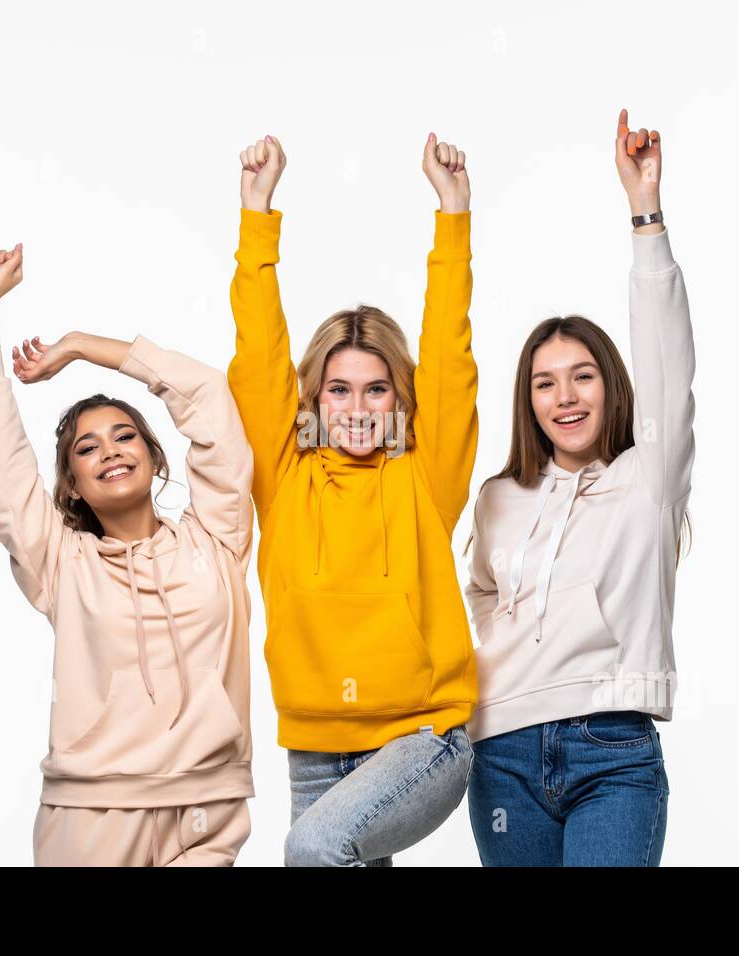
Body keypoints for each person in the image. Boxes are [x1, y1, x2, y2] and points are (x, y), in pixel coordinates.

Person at [227, 133, 478, 866]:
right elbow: (258, 351)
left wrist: (452, 216)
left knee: (313, 846)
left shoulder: (424, 476)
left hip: (422, 738)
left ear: (400, 396)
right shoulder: (285, 474)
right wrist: (256, 213)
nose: (358, 406)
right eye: (339, 389)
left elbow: (449, 356)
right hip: (313, 746)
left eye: (377, 388)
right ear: (315, 397)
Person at [0, 242, 255, 866]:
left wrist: (78, 345)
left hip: (207, 811)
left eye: (125, 436)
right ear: (70, 481)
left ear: (154, 456)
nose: (112, 452)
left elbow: (206, 395)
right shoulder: (61, 563)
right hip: (89, 817)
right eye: (87, 449)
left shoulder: (217, 539)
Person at [463, 109, 693, 866]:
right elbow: (480, 602)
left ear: (611, 385)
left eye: (583, 376)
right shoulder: (499, 498)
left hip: (611, 748)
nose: (565, 397)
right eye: (545, 383)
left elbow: (668, 367)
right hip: (501, 758)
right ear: (527, 401)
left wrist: (645, 213)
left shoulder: (645, 481)